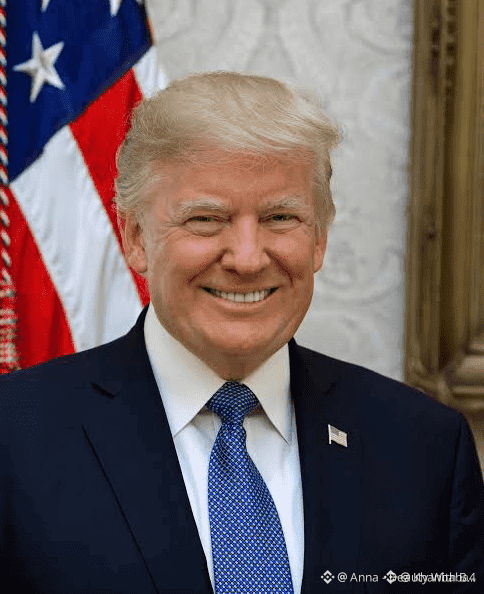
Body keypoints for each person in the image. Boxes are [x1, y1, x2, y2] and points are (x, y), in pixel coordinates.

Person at [0, 72, 482, 594]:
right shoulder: (15, 436)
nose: (248, 259)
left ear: (319, 239)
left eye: (280, 217)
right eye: (207, 219)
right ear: (135, 237)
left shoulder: (424, 446)